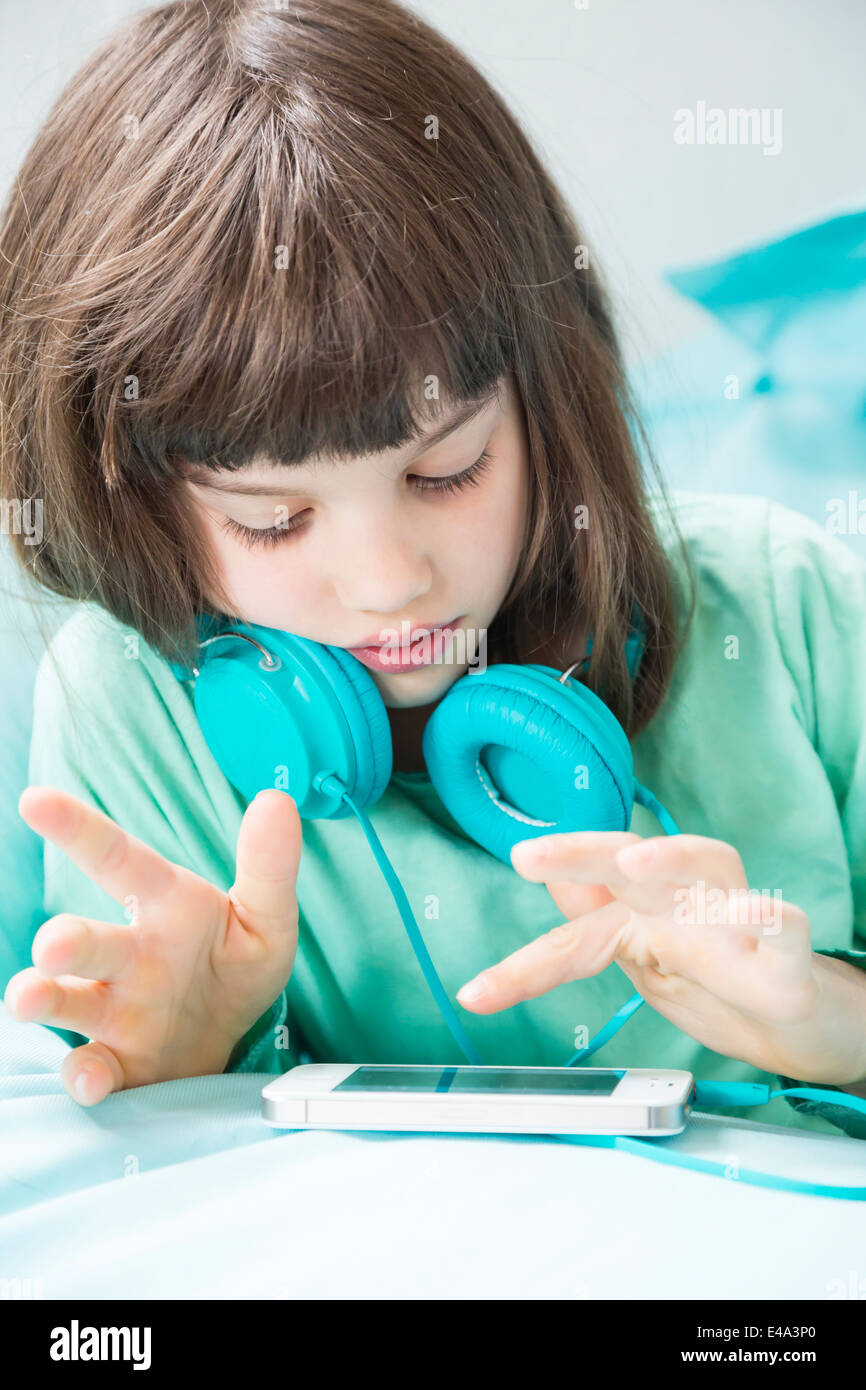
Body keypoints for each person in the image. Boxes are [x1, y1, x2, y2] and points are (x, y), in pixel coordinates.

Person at [1, 0, 864, 1138]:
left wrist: (830, 1026)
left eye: (447, 469)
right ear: (142, 505)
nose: (387, 583)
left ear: (545, 399)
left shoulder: (786, 604)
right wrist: (189, 1060)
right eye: (270, 519)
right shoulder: (125, 707)